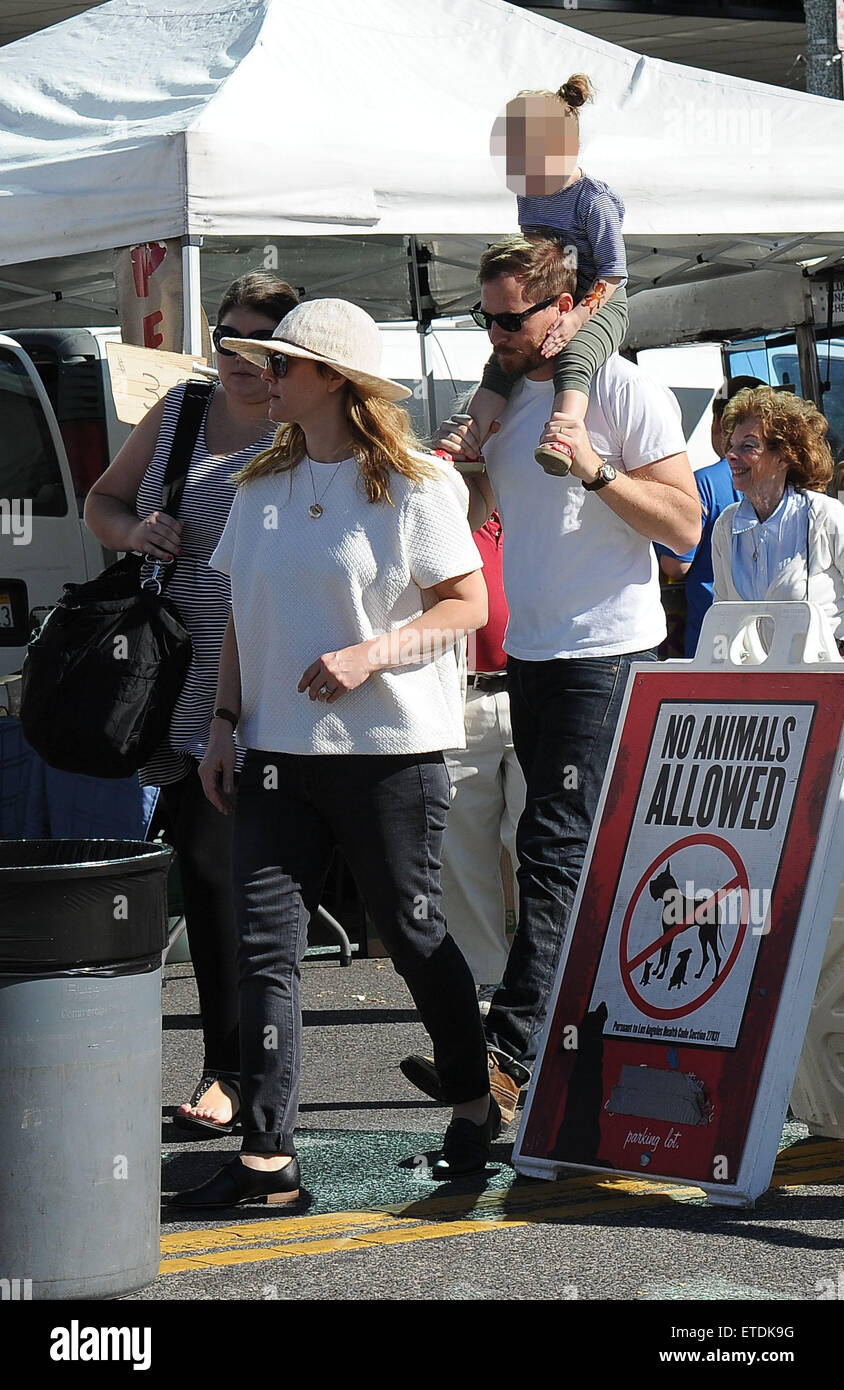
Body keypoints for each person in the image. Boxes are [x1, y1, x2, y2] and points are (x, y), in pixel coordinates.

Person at [170, 298, 497, 1209]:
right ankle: (269, 1156)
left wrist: (368, 656)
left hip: (390, 750)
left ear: (333, 380)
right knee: (264, 949)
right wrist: (225, 722)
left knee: (409, 928)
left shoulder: (418, 483)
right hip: (274, 749)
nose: (264, 380)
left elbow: (465, 605)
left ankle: (473, 1099)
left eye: (282, 366)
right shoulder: (256, 487)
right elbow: (239, 614)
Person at [400, 234, 700, 1125]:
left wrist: (599, 471)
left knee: (554, 845)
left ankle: (511, 1050)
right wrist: (459, 472)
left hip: (606, 650)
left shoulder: (621, 388)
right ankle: (585, 1044)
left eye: (510, 317)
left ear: (565, 308)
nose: (494, 331)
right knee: (576, 852)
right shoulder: (503, 397)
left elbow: (685, 528)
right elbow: (484, 518)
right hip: (531, 649)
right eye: (484, 316)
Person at [85, 272, 299, 1134]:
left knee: (274, 886)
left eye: (258, 343)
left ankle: (274, 1080)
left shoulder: (310, 420)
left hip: (285, 676)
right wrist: (138, 531)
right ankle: (230, 1070)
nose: (239, 358)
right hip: (186, 682)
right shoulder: (182, 410)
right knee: (209, 875)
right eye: (227, 339)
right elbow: (104, 500)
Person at [468, 75, 628, 475]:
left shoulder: (594, 200)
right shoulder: (528, 193)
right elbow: (537, 259)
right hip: (555, 296)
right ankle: (469, 435)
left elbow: (613, 274)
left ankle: (564, 432)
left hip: (600, 298)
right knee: (500, 361)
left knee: (573, 354)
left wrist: (576, 317)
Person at [440, 511, 526, 1008]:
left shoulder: (530, 492)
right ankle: (485, 983)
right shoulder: (442, 492)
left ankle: (544, 978)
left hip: (531, 688)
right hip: (461, 694)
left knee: (537, 843)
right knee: (461, 849)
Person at [711, 385, 844, 648]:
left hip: (823, 680)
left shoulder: (825, 516)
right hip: (755, 684)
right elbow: (721, 612)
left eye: (748, 446)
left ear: (784, 456)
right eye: (732, 445)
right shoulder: (726, 526)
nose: (731, 455)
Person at [657, 376, 764, 656]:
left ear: (718, 423)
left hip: (713, 643)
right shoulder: (787, 484)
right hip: (771, 643)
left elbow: (674, 566)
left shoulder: (702, 484)